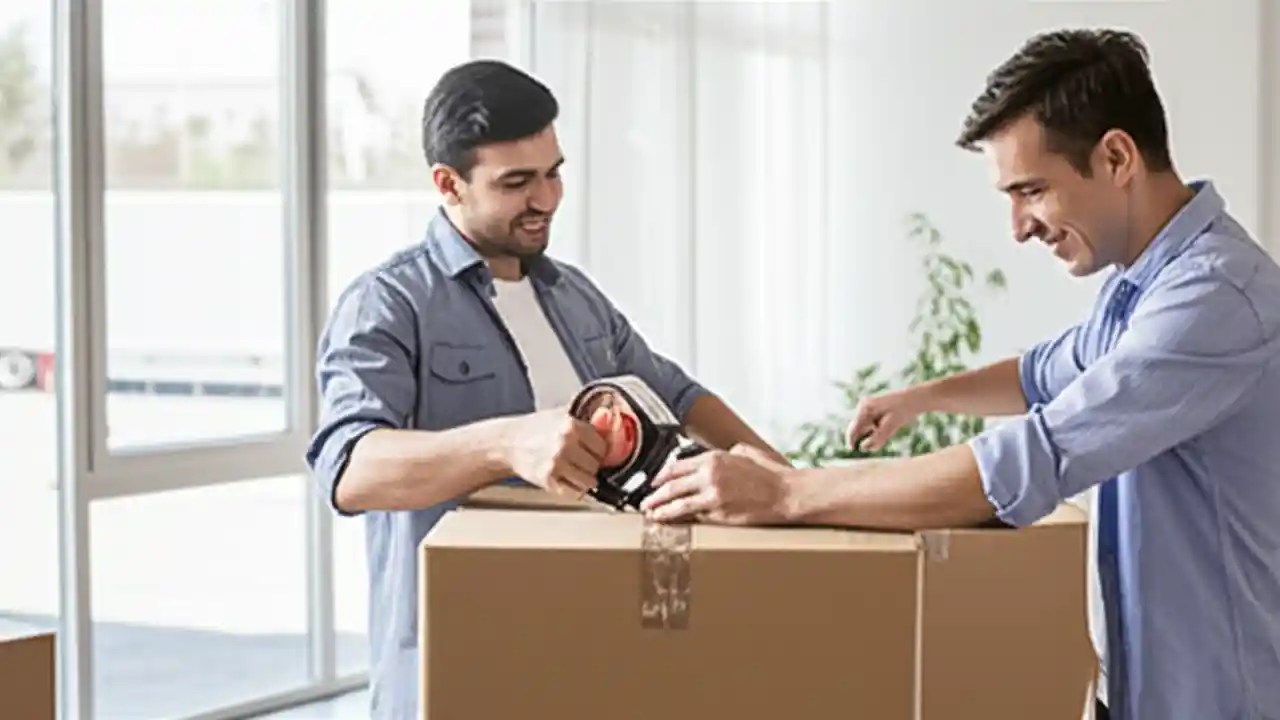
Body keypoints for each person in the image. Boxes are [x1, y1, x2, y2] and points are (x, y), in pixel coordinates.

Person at [640, 28, 1280, 720]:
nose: (1018, 226)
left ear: (1117, 156)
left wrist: (788, 493)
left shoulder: (1214, 299)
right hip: (1134, 692)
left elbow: (1031, 459)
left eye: (1031, 190)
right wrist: (920, 398)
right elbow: (1043, 374)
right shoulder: (1143, 287)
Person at [304, 59, 781, 719]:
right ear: (448, 184)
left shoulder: (574, 295)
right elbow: (349, 471)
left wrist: (786, 484)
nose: (547, 199)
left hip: (589, 653)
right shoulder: (387, 304)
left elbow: (677, 393)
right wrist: (507, 442)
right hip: (454, 671)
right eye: (517, 182)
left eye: (554, 172)